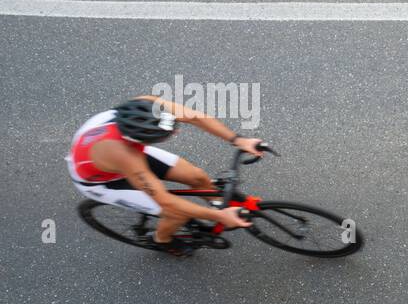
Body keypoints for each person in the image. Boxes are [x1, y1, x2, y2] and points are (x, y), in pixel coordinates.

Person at [68, 96, 262, 254]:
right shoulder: (126, 155)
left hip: (115, 151)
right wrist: (219, 216)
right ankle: (162, 240)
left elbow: (194, 117)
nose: (176, 133)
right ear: (140, 138)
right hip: (101, 182)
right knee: (177, 214)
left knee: (197, 177)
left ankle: (220, 204)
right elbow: (165, 200)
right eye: (166, 134)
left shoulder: (145, 105)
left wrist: (238, 140)